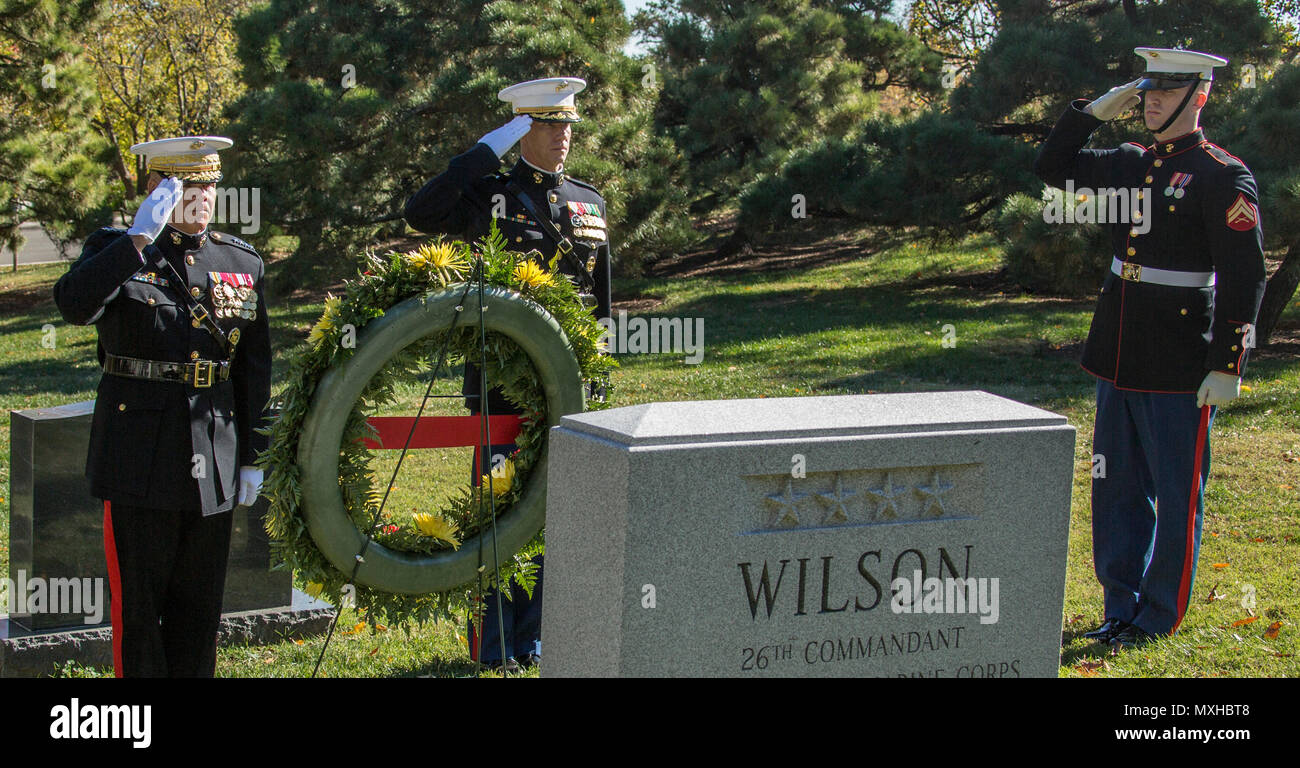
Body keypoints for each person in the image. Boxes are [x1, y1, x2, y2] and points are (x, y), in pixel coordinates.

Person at [1034, 48, 1266, 648]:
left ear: (1200, 97)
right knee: (1116, 486)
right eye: (1146, 92)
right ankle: (1120, 602)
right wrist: (1089, 115)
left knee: (1176, 487)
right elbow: (1051, 167)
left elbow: (1245, 276)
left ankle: (1159, 612)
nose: (1152, 102)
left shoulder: (1222, 174)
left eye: (1167, 92)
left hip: (1179, 356)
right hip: (1117, 347)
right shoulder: (1128, 161)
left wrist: (1229, 362)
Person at [404, 77, 612, 669]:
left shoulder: (588, 204)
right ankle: (495, 649)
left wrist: (593, 379)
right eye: (547, 125)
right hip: (501, 384)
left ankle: (538, 640)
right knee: (499, 516)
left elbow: (598, 305)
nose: (562, 137)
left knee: (553, 513)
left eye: (568, 124)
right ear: (522, 130)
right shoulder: (487, 193)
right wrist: (482, 154)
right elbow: (420, 212)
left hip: (567, 387)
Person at [53, 136, 272, 676]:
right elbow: (74, 305)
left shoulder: (238, 259)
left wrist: (252, 454)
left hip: (214, 451)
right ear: (156, 188)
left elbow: (253, 367)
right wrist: (136, 239)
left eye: (211, 187)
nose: (203, 199)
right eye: (187, 188)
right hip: (138, 457)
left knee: (200, 609)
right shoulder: (116, 249)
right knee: (141, 608)